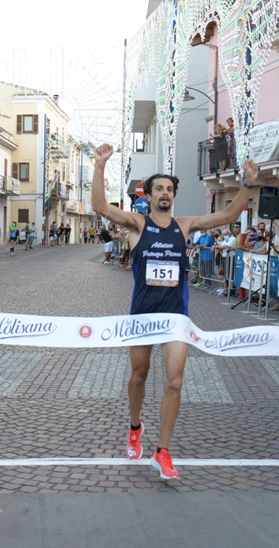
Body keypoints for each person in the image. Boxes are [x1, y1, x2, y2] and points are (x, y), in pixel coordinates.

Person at [91, 143, 255, 480]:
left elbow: (227, 217)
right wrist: (99, 166)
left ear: (173, 195)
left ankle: (162, 451)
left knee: (175, 382)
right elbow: (99, 206)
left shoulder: (185, 225)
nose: (165, 193)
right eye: (159, 189)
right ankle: (135, 426)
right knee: (139, 375)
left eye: (169, 189)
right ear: (148, 196)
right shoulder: (137, 225)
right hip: (142, 315)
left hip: (175, 317)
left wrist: (248, 186)